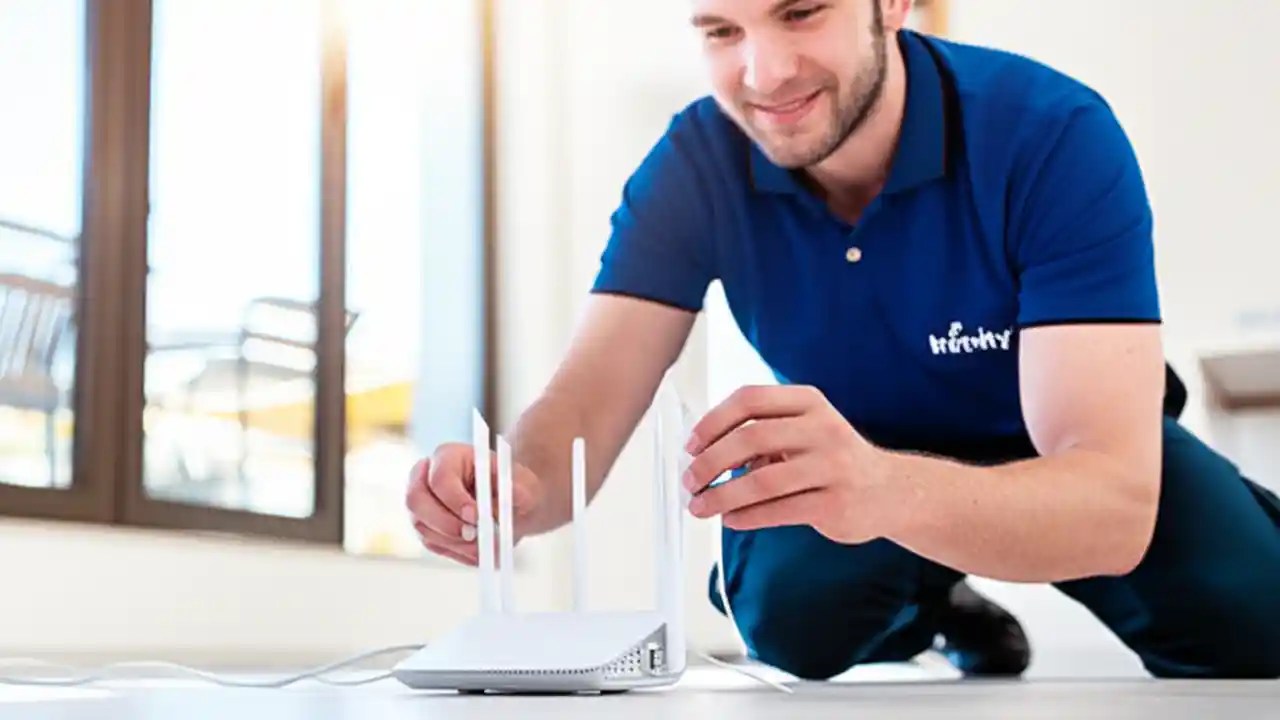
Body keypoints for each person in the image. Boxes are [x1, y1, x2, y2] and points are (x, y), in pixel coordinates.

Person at [406, 0, 1280, 679]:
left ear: (891, 3)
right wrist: (510, 492)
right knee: (789, 619)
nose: (765, 72)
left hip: (1074, 456)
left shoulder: (1052, 132)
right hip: (851, 456)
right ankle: (940, 608)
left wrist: (892, 492)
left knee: (1258, 620)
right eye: (722, 29)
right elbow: (580, 411)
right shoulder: (696, 162)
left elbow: (1110, 506)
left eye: (801, 11)